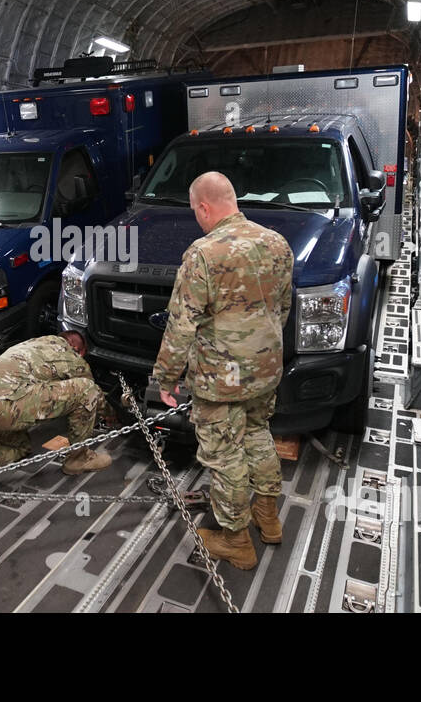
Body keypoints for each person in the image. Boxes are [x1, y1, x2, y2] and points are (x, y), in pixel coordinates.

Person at [152, 171, 294, 570]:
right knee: (258, 435)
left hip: (222, 378)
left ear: (204, 207)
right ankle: (268, 519)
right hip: (266, 368)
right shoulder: (276, 244)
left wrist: (166, 377)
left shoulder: (203, 253)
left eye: (196, 212)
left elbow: (181, 324)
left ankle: (235, 540)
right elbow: (281, 308)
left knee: (224, 453)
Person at [0, 330, 111, 510]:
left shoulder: (33, 343)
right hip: (1, 407)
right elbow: (92, 394)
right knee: (86, 388)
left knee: (19, 446)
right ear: (77, 348)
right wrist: (111, 412)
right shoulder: (67, 353)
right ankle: (79, 459)